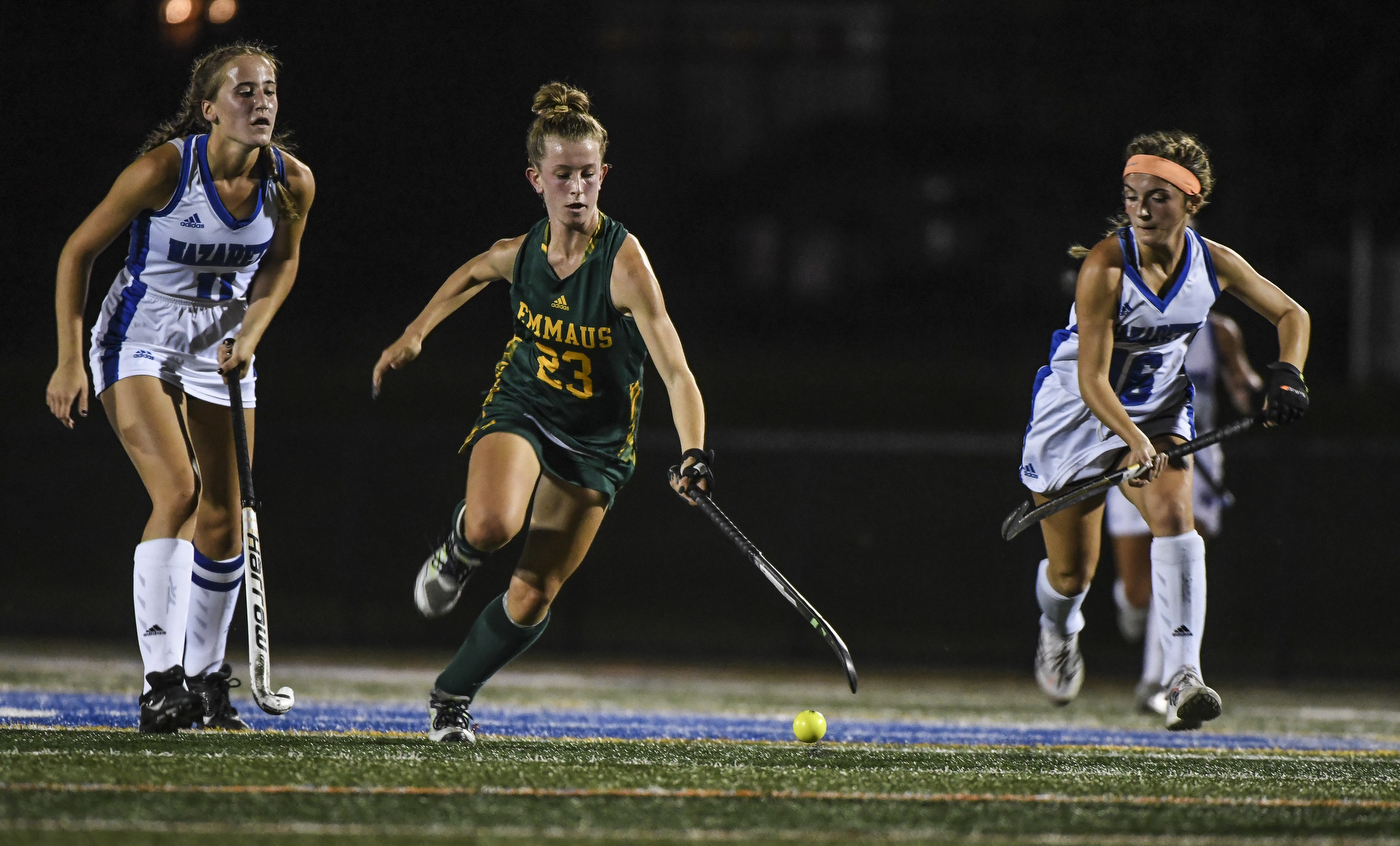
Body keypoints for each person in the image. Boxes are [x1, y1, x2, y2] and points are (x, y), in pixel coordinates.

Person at [372, 82, 709, 743]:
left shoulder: (624, 264)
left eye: (589, 174)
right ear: (536, 179)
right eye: (563, 176)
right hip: (524, 408)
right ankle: (461, 547)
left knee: (532, 595)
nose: (578, 189)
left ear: (604, 174)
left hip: (597, 445)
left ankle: (451, 696)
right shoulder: (523, 253)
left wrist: (695, 450)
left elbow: (676, 370)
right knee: (496, 524)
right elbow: (474, 272)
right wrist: (416, 332)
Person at [45, 42, 315, 733]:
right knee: (179, 492)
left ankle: (205, 678)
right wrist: (69, 360)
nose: (261, 104)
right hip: (137, 336)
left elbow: (282, 266)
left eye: (270, 92)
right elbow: (78, 251)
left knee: (223, 517)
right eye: (244, 92)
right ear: (209, 109)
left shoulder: (293, 183)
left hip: (220, 346)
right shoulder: (165, 171)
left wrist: (251, 333)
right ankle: (160, 680)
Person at [1017, 131, 1309, 730]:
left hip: (1157, 411)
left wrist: (1289, 376)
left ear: (1191, 203)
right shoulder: (1105, 264)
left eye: (1159, 197)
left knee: (1177, 520)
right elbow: (1094, 380)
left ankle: (1182, 677)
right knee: (1071, 574)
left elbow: (1291, 314)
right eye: (1132, 196)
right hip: (1076, 415)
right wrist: (1134, 442)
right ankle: (1059, 628)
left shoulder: (1214, 263)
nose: (1143, 209)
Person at [1105, 310, 1262, 715]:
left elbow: (1242, 385)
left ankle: (1158, 683)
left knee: (1180, 563)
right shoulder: (1126, 322)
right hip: (1135, 453)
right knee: (1139, 591)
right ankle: (1129, 605)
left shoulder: (1219, 332)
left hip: (1197, 458)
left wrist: (1263, 398)